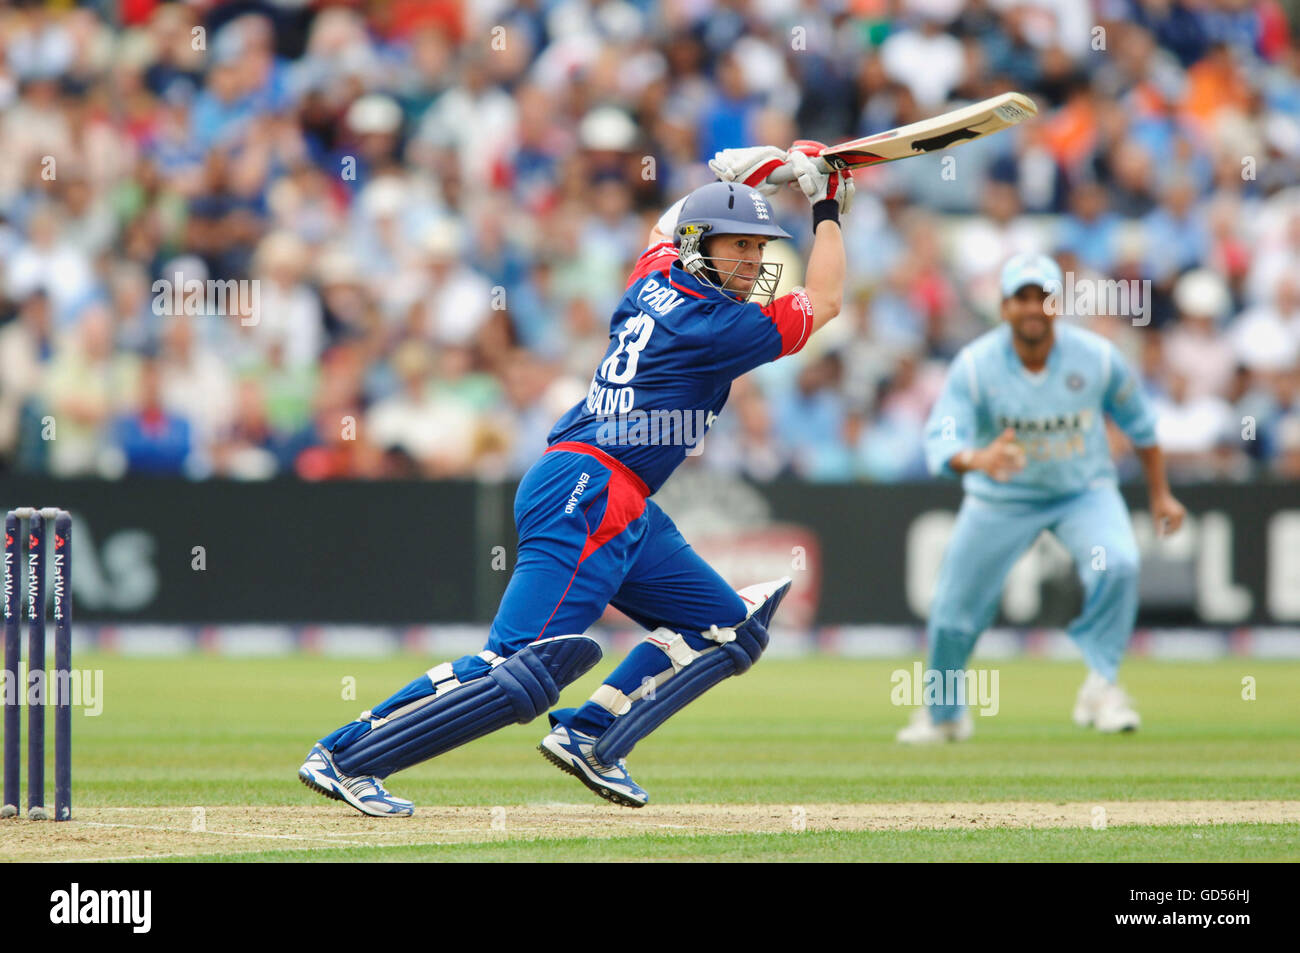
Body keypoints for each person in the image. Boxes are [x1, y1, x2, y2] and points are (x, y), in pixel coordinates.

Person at [299, 144, 852, 814]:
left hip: (615, 497)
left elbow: (661, 229)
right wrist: (827, 202)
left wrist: (740, 178)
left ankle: (594, 736)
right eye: (740, 247)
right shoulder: (717, 325)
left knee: (725, 629)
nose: (756, 264)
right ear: (700, 247)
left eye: (760, 250)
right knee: (519, 671)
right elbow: (823, 300)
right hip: (587, 491)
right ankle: (346, 753)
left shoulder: (653, 275)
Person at [898, 253, 1186, 744]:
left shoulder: (1096, 357)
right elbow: (943, 435)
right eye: (1021, 298)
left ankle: (1102, 685)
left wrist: (1161, 495)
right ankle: (943, 715)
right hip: (1001, 496)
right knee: (951, 609)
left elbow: (1141, 425)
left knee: (1118, 563)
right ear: (1004, 307)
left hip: (1083, 490)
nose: (1033, 308)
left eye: (1043, 297)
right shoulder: (975, 365)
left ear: (1057, 304)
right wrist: (977, 459)